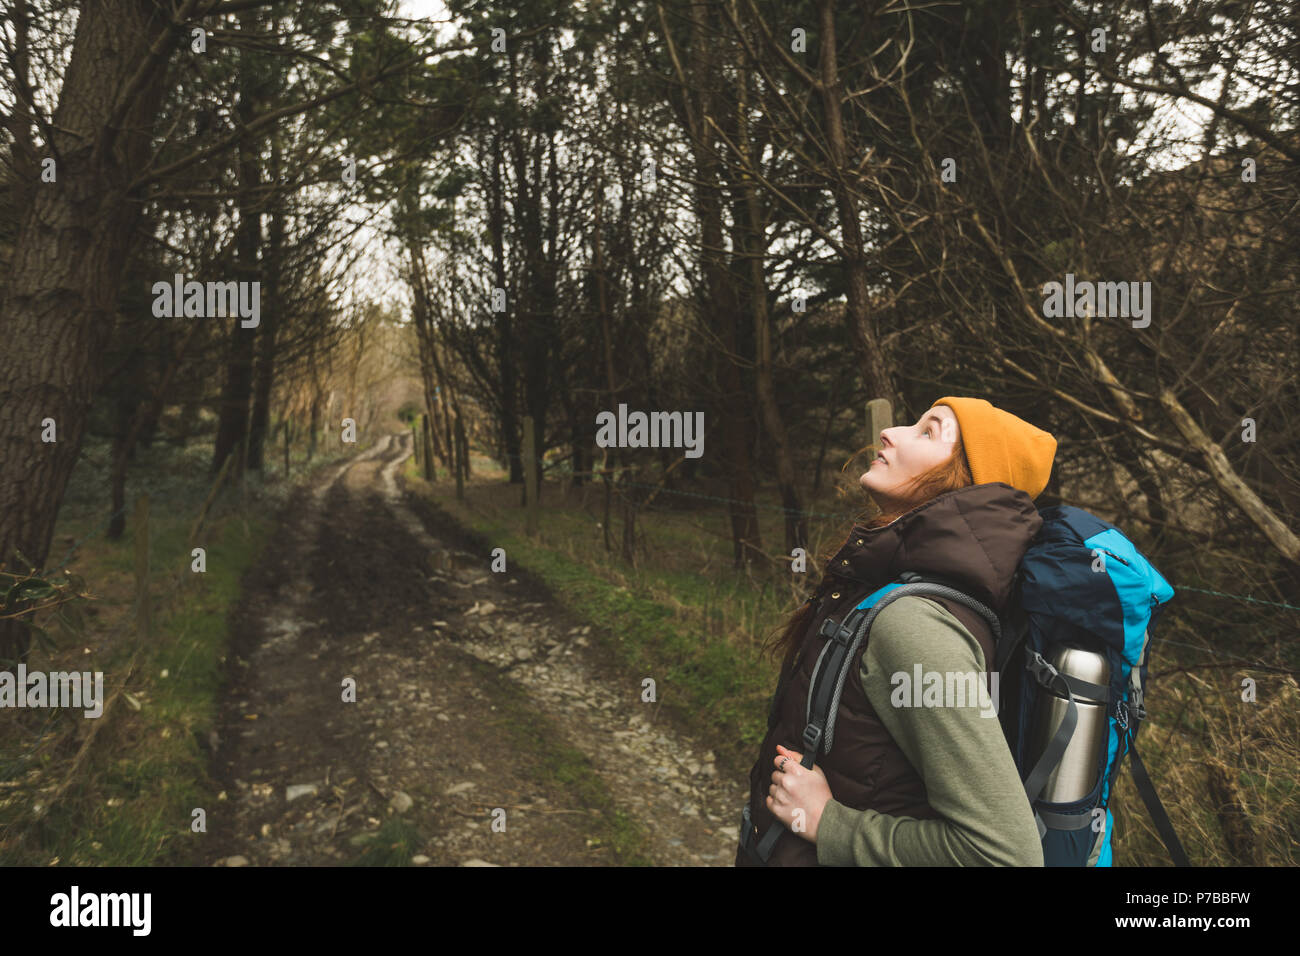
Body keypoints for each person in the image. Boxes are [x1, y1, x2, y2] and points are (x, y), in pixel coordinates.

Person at [735, 396, 1056, 866]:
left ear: (967, 482)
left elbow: (1006, 855)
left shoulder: (914, 623)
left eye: (928, 431)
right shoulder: (890, 587)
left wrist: (830, 823)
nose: (890, 432)